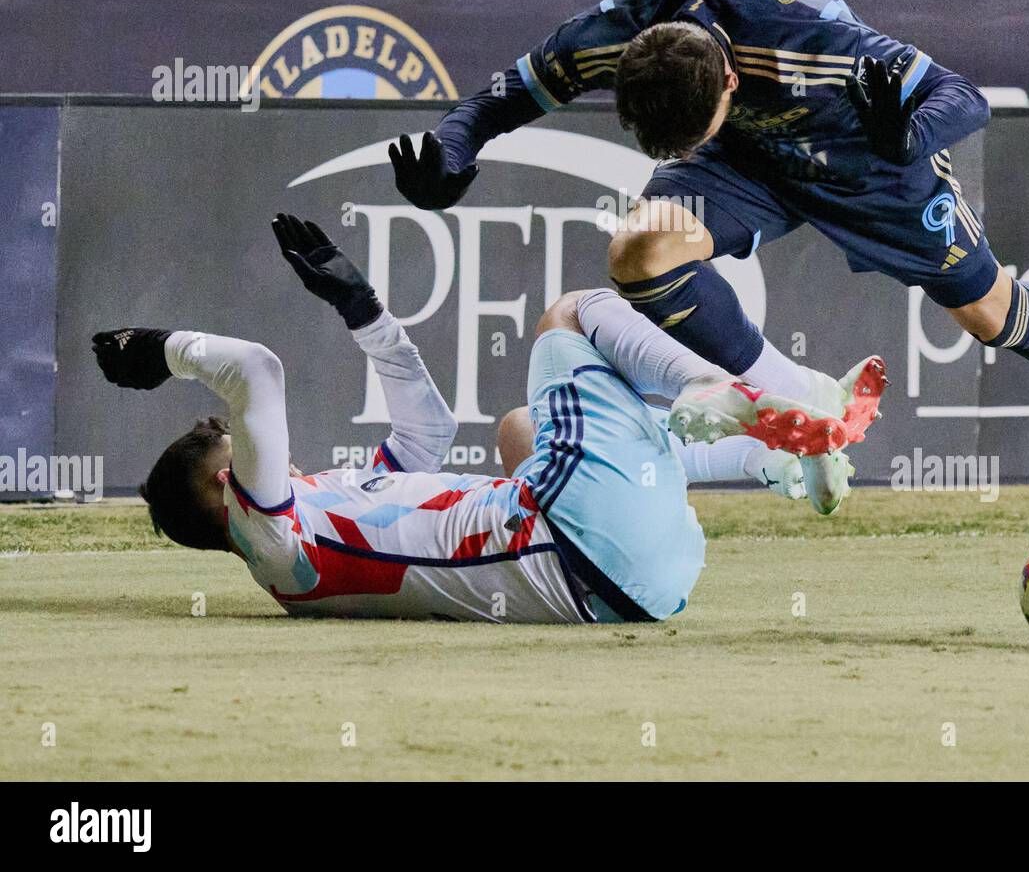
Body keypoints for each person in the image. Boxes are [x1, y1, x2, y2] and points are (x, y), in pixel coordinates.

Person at [386, 0, 1029, 499]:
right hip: (744, 159)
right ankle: (801, 397)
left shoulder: (815, 42)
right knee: (640, 247)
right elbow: (505, 94)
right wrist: (454, 149)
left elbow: (963, 96)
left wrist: (909, 137)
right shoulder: (622, 29)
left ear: (728, 79)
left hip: (863, 154)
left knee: (986, 312)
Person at [94, 215, 838, 624]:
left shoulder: (321, 522)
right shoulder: (273, 536)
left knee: (519, 429)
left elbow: (426, 435)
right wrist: (164, 349)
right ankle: (724, 387)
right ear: (229, 482)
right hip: (581, 550)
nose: (268, 452)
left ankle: (772, 459)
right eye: (236, 441)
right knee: (574, 314)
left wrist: (365, 312)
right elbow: (254, 369)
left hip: (627, 581)